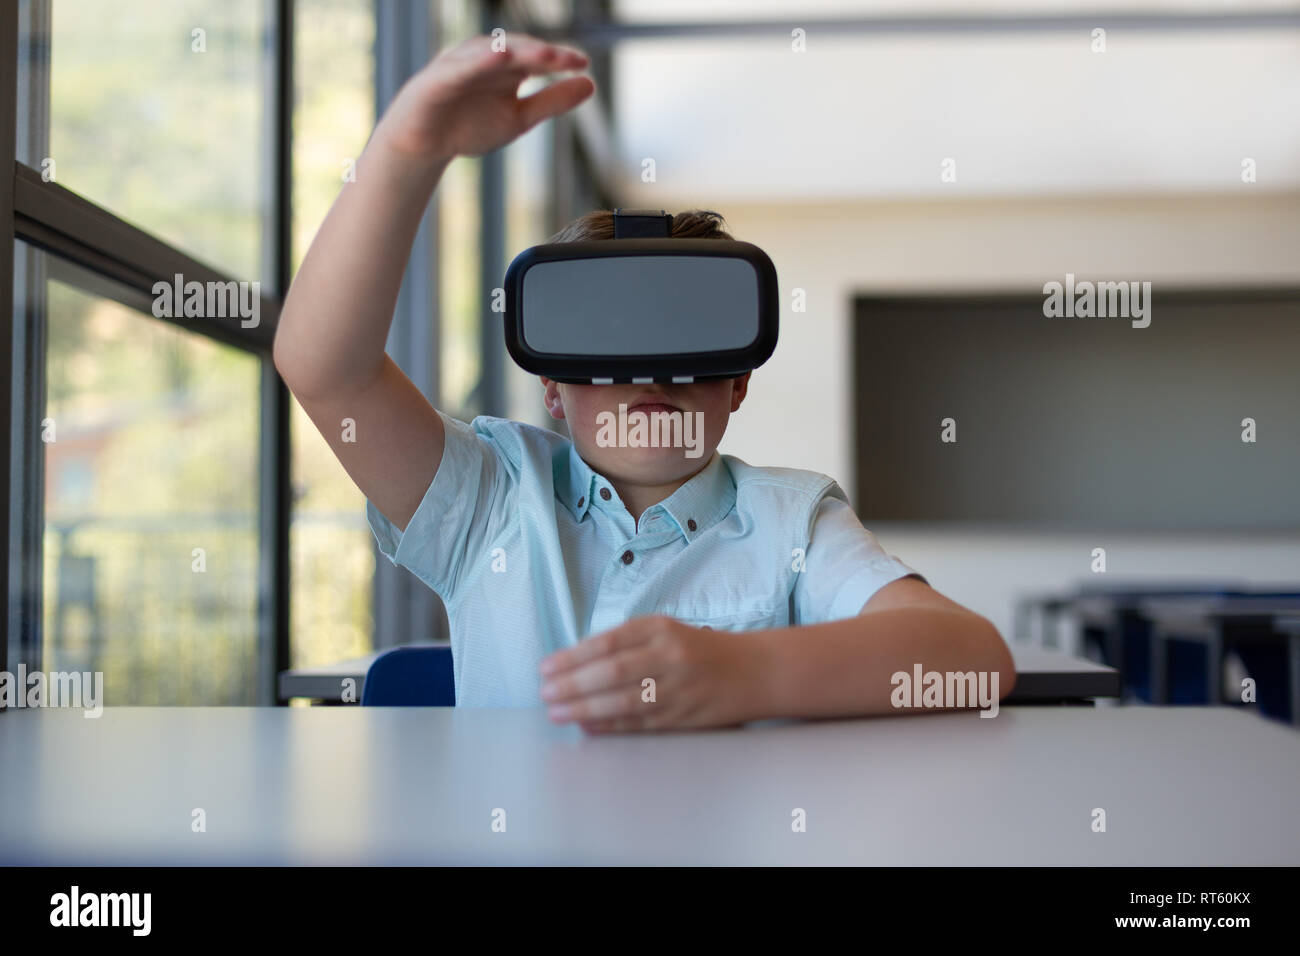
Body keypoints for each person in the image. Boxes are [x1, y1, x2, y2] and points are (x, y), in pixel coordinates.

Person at [274, 33, 1015, 731]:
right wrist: (409, 148)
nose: (653, 372)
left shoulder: (793, 524)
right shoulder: (488, 498)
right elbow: (326, 372)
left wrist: (748, 672)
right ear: (553, 389)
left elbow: (972, 660)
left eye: (688, 338)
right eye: (608, 340)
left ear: (738, 385)